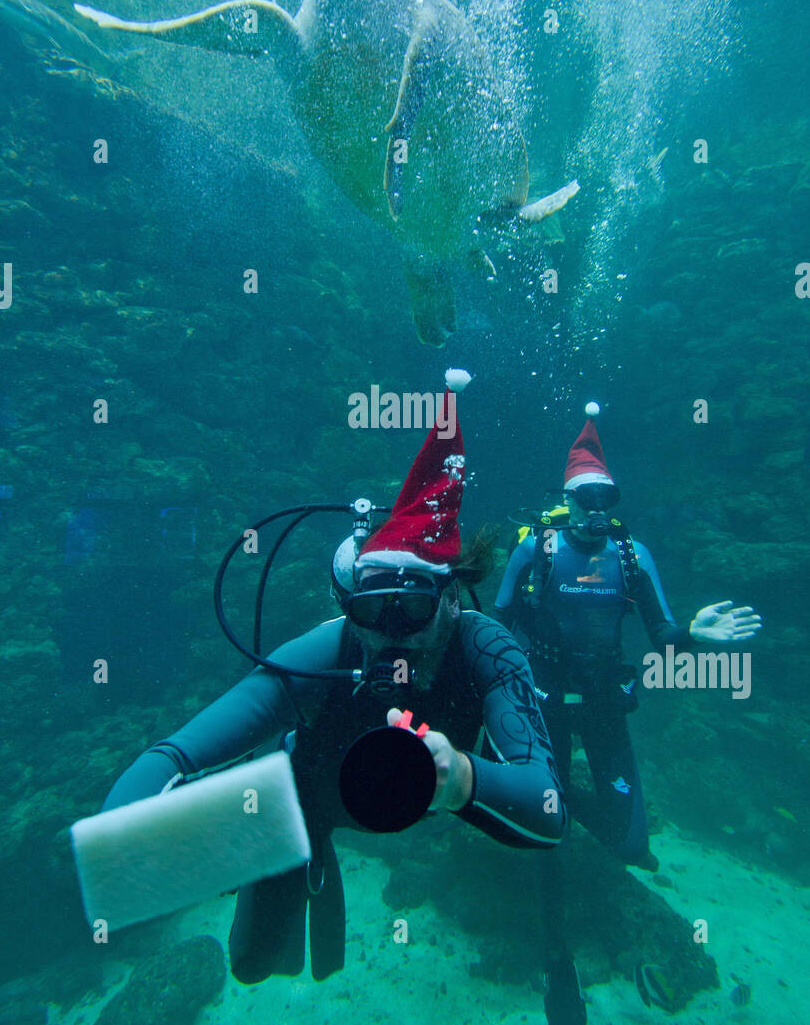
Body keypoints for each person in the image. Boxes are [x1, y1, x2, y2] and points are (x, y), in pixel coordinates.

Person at [101, 374, 565, 983]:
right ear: (350, 605)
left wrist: (462, 779)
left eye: (414, 608)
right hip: (312, 800)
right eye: (373, 611)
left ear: (452, 600)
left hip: (428, 796)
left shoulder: (486, 649)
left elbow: (548, 808)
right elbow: (178, 752)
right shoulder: (332, 645)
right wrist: (122, 841)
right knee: (252, 963)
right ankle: (303, 855)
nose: (392, 630)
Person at [494, 401, 762, 1025]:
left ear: (613, 498)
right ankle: (552, 915)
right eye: (584, 496)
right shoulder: (536, 545)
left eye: (604, 495)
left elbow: (665, 631)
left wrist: (695, 636)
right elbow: (500, 618)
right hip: (547, 697)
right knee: (540, 815)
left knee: (624, 830)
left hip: (607, 700)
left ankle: (592, 839)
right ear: (565, 497)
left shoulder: (631, 555)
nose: (594, 507)